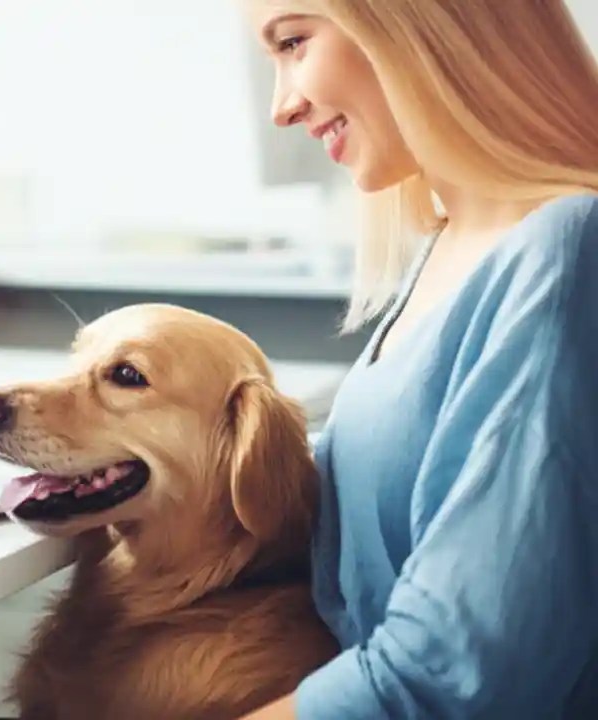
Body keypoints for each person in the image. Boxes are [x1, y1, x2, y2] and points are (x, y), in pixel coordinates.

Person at [239, 2, 598, 719]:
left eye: (295, 42)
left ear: (421, 23)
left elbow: (460, 670)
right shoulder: (447, 248)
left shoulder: (566, 246)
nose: (283, 106)